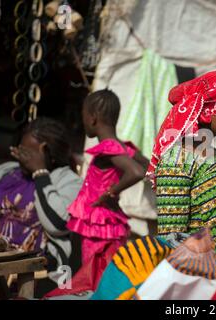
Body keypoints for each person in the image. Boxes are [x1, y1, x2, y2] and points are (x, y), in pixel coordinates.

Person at [46, 89, 148, 297]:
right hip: (110, 223)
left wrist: (110, 192)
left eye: (82, 116)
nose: (82, 122)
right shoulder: (123, 146)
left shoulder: (108, 148)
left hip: (98, 224)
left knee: (94, 276)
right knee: (108, 274)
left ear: (92, 119)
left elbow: (136, 172)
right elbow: (147, 166)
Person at [147, 70, 216, 256]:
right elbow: (172, 240)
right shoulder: (175, 163)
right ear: (209, 112)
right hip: (208, 275)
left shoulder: (214, 156)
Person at [0, 117, 82, 297]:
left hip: (36, 273)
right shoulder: (8, 171)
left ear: (48, 153)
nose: (22, 157)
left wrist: (40, 173)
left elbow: (57, 225)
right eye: (21, 150)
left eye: (28, 153)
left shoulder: (69, 182)